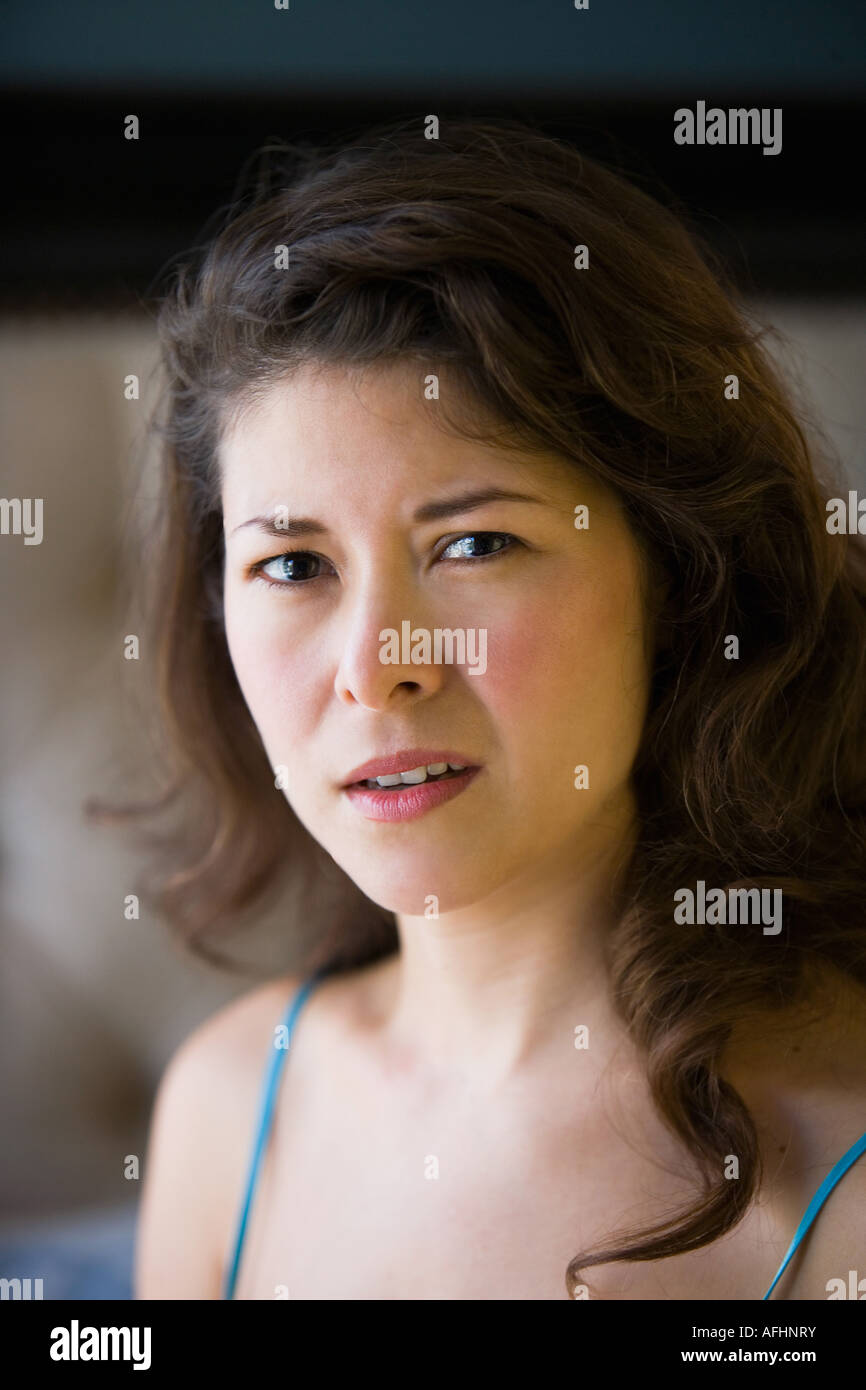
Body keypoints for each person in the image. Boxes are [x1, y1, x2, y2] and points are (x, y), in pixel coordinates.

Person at [130, 116, 866, 1300]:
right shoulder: (227, 1109)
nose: (375, 666)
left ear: (679, 583)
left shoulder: (840, 1173)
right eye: (292, 564)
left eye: (474, 542)